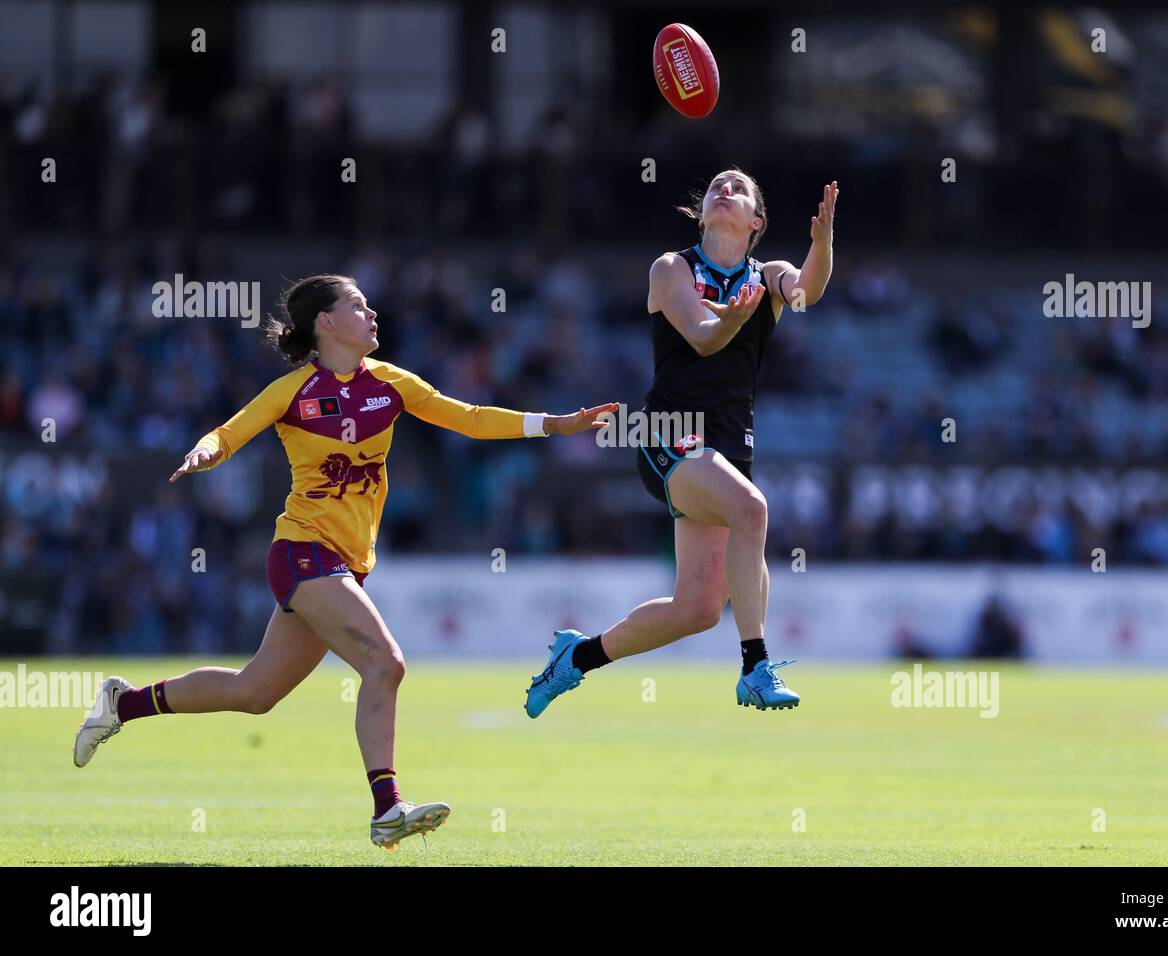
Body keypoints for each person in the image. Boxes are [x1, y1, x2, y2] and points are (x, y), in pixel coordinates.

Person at [73, 274, 616, 848]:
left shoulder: (392, 383)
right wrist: (205, 452)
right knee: (386, 664)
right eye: (357, 305)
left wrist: (554, 424)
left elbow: (472, 418)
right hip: (303, 552)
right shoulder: (293, 391)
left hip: (346, 565)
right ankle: (387, 807)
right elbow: (230, 433)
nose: (372, 312)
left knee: (253, 693)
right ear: (325, 324)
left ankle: (122, 703)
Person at [524, 168, 837, 717]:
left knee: (696, 609)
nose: (725, 190)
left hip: (726, 447)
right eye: (718, 185)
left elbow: (808, 290)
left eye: (739, 189)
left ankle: (576, 657)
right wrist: (734, 319)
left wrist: (822, 243)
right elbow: (701, 336)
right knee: (751, 508)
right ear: (702, 212)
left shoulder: (770, 274)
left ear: (756, 222)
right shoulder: (672, 269)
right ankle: (755, 665)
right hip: (669, 432)